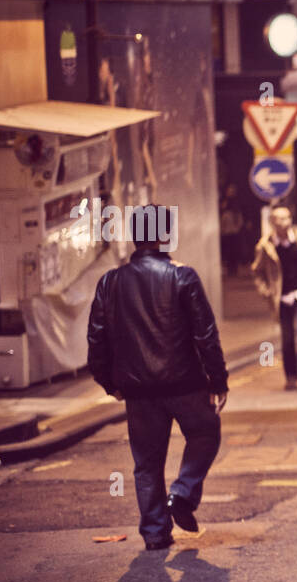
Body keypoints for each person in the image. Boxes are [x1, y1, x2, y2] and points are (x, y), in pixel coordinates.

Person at [86, 208, 228, 551]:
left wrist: (110, 383)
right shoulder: (183, 277)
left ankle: (154, 532)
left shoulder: (111, 281)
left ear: (135, 237)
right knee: (205, 432)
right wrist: (218, 380)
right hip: (186, 383)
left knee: (147, 462)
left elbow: (96, 339)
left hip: (138, 389)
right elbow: (205, 334)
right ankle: (182, 493)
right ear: (166, 236)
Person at [250, 204, 297, 391]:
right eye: (280, 219)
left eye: (287, 218)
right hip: (282, 298)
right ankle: (291, 376)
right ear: (272, 222)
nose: (285, 222)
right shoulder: (265, 246)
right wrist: (267, 292)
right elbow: (257, 272)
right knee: (287, 339)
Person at [218, 185, 245, 277]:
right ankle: (230, 268)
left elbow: (240, 218)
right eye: (230, 191)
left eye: (233, 191)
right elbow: (221, 218)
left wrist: (237, 228)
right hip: (227, 232)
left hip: (234, 232)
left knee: (235, 251)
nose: (231, 193)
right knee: (228, 251)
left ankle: (234, 268)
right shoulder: (224, 203)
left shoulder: (237, 204)